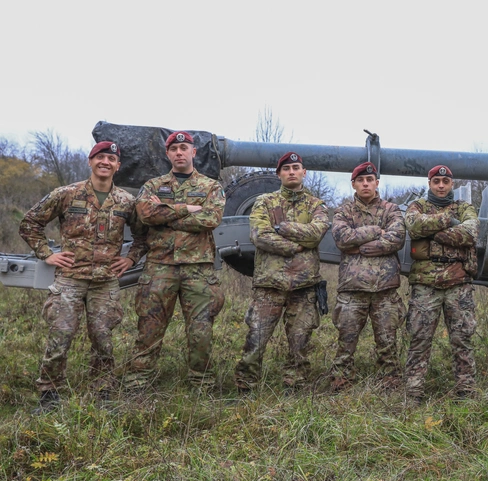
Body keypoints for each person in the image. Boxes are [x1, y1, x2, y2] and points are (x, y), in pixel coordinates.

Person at [20, 141, 148, 414]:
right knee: (60, 337)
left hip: (105, 281)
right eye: (100, 157)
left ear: (118, 166)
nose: (105, 162)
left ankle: (103, 391)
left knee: (103, 340)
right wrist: (46, 254)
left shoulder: (126, 201)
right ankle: (49, 393)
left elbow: (143, 236)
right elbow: (30, 222)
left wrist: (131, 258)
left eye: (111, 159)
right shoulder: (66, 194)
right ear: (90, 162)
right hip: (70, 278)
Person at [122, 131, 225, 393]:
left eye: (184, 147)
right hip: (160, 267)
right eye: (174, 148)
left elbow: (211, 219)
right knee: (149, 327)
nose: (179, 152)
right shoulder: (153, 186)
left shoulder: (211, 186)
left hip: (198, 270)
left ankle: (201, 384)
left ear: (194, 153)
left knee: (201, 331)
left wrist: (165, 213)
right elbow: (145, 213)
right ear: (167, 154)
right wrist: (189, 208)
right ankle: (138, 382)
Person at [234, 152, 331, 395]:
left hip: (304, 286)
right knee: (255, 341)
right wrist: (296, 246)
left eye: (296, 167)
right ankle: (246, 388)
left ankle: (294, 388)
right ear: (279, 174)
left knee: (300, 344)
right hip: (269, 285)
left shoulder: (316, 205)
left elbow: (317, 232)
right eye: (286, 168)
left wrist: (283, 228)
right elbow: (259, 235)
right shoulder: (265, 202)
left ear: (304, 172)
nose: (291, 171)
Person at [402, 165, 479, 402]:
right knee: (419, 338)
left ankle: (466, 390)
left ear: (452, 184)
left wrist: (432, 232)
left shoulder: (465, 207)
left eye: (445, 182)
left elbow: (471, 232)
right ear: (430, 184)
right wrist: (448, 221)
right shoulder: (418, 206)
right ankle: (414, 391)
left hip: (458, 282)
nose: (441, 186)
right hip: (426, 284)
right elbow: (414, 225)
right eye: (436, 182)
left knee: (462, 338)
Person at [328, 161, 406, 391]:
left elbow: (397, 238)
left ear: (376, 183)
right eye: (361, 180)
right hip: (352, 290)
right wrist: (375, 232)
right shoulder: (344, 211)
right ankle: (341, 383)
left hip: (385, 290)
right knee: (346, 341)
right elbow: (342, 238)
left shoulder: (391, 210)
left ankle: (390, 384)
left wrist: (360, 246)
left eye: (369, 180)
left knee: (387, 343)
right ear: (353, 184)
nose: (365, 183)